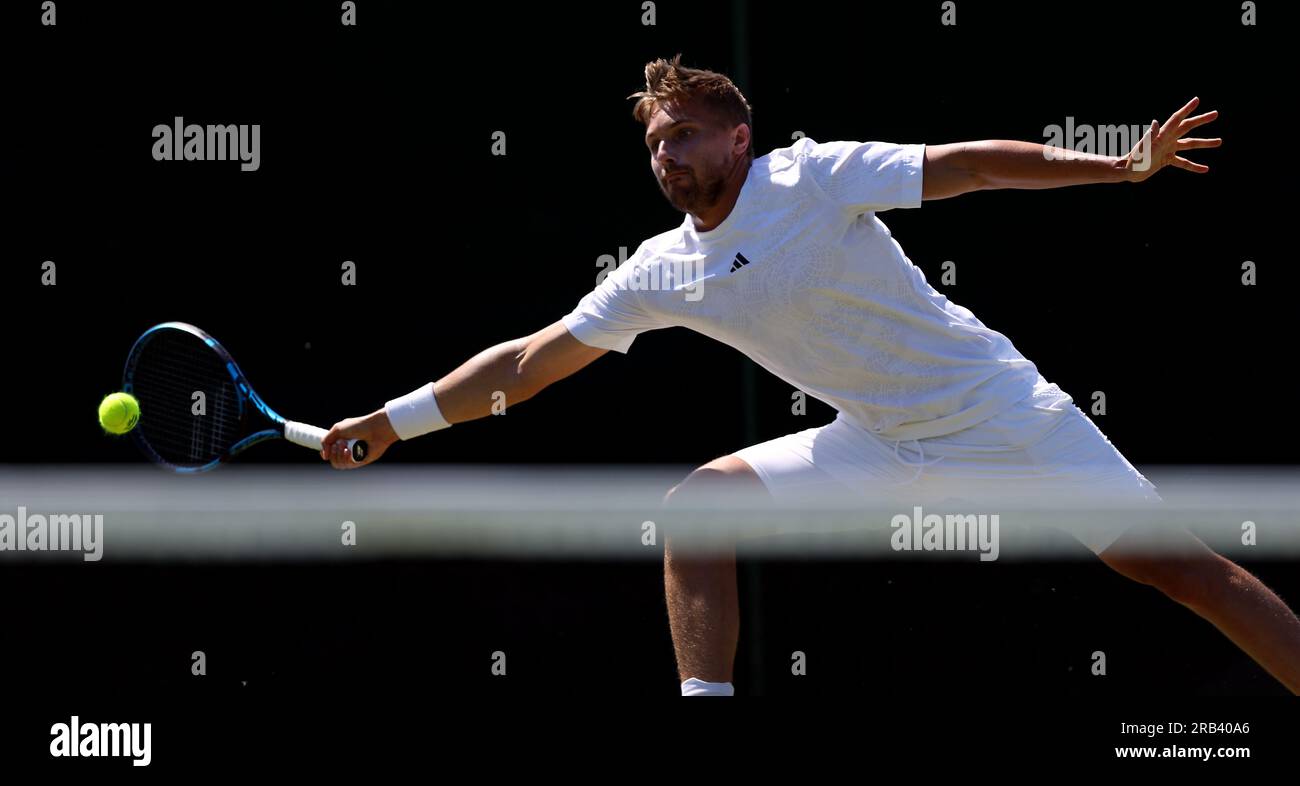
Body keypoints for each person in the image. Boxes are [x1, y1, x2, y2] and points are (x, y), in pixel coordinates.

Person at [320, 54, 1300, 696]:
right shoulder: (659, 269)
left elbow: (967, 166)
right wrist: (390, 422)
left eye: (684, 134)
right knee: (698, 508)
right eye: (654, 143)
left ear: (737, 138)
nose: (666, 155)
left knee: (1181, 571)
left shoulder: (812, 176)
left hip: (999, 413)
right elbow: (529, 363)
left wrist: (1118, 168)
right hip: (876, 443)